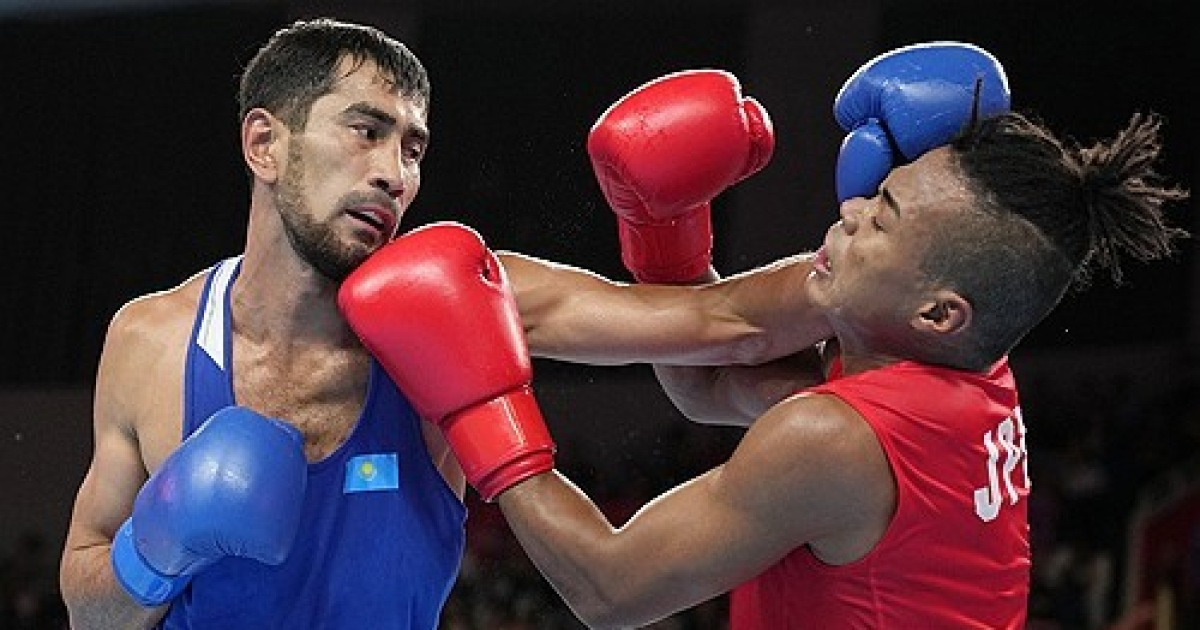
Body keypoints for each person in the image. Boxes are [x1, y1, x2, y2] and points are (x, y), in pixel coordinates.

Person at [339, 62, 1190, 630]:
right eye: (878, 194)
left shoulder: (838, 439)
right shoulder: (954, 350)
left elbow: (610, 587)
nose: (850, 210)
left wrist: (481, 405)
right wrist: (665, 233)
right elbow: (712, 373)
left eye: (883, 219)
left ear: (939, 311)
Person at [56, 17, 804, 630]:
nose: (395, 174)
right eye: (365, 131)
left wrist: (853, 265)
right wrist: (154, 549)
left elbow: (723, 322)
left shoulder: (463, 297)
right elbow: (91, 615)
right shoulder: (150, 340)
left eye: (412, 148)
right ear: (265, 145)